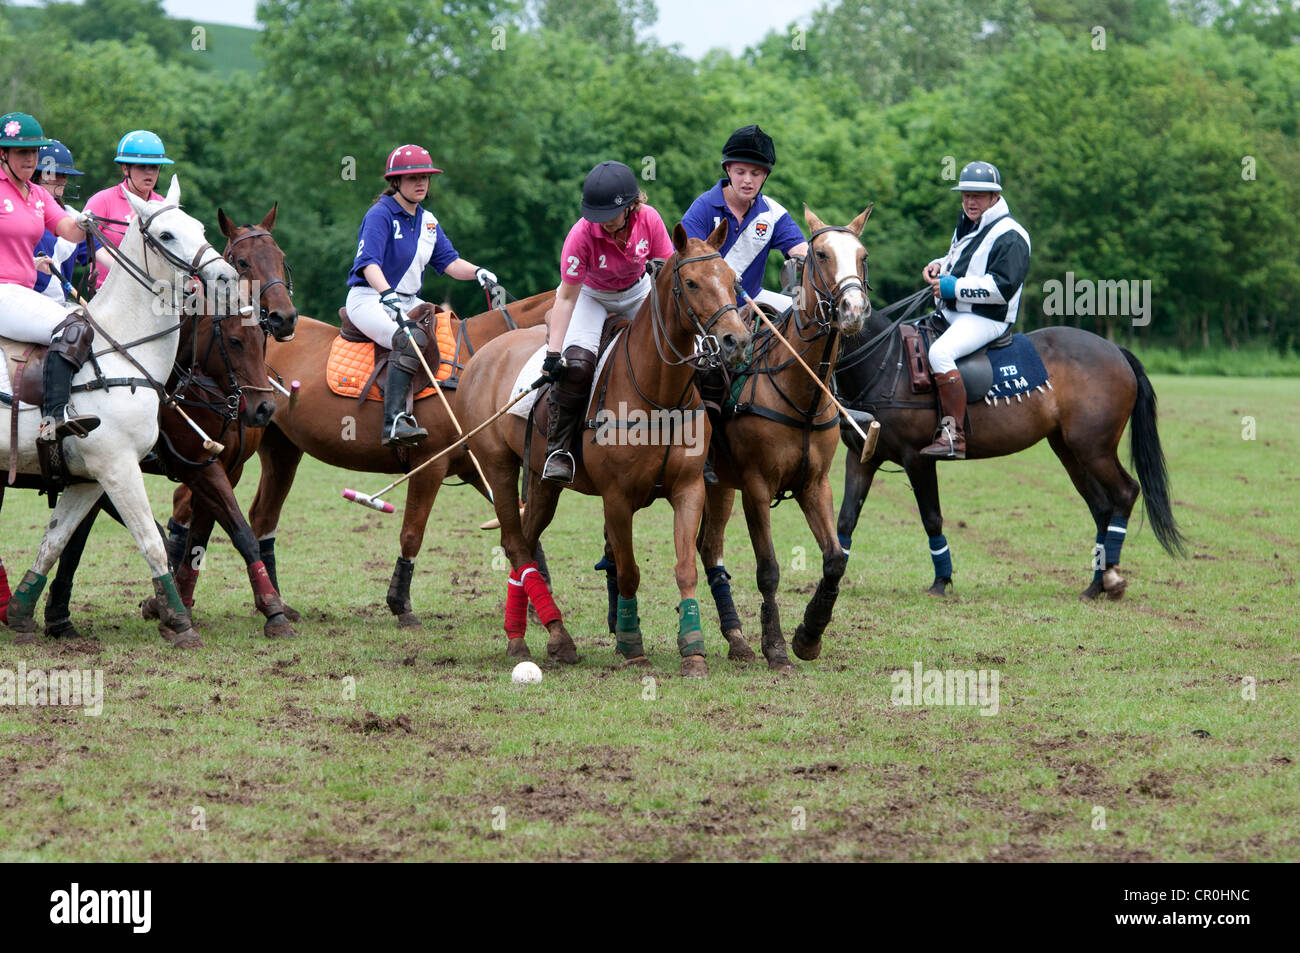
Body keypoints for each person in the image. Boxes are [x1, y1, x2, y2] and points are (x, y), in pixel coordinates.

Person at [344, 145, 497, 446]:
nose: (421, 182)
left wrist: (478, 271)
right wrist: (386, 292)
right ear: (395, 182)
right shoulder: (380, 214)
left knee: (448, 337)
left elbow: (450, 262)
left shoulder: (428, 221)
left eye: (425, 176)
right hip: (370, 297)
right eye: (412, 177)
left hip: (409, 300)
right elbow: (368, 263)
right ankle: (393, 423)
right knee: (408, 339)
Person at [680, 125, 808, 483]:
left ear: (765, 176)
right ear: (728, 171)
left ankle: (828, 409)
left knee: (811, 326)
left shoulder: (773, 214)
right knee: (705, 366)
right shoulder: (704, 208)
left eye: (755, 173)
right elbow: (690, 263)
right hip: (708, 310)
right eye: (740, 172)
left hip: (754, 300)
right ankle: (704, 450)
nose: (747, 180)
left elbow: (800, 252)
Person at [541, 160, 674, 484]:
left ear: (632, 206)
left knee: (676, 355)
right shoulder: (582, 234)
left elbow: (668, 270)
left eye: (609, 216)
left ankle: (690, 439)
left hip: (637, 291)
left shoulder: (650, 219)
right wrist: (554, 353)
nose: (603, 223)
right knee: (578, 366)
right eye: (596, 216)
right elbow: (567, 298)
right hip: (592, 295)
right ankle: (558, 450)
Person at [919, 161, 1031, 460]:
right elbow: (964, 258)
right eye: (966, 194)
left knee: (938, 354)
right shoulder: (972, 222)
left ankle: (954, 435)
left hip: (987, 319)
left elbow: (1001, 287)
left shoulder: (1011, 235)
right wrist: (940, 264)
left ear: (995, 197)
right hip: (956, 312)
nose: (970, 201)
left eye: (978, 195)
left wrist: (952, 288)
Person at [0, 112, 98, 440]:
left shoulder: (39, 195)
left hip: (21, 294)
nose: (30, 159)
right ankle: (53, 418)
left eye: (34, 152)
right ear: (3, 154)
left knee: (86, 326)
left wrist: (84, 223)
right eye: (21, 152)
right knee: (70, 327)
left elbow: (67, 230)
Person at [82, 129, 174, 291]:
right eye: (142, 167)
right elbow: (83, 241)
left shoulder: (164, 206)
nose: (149, 172)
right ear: (125, 169)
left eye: (154, 167)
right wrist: (119, 265)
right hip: (106, 295)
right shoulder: (103, 200)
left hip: (151, 296)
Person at [32, 139, 87, 304]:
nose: (62, 180)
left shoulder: (72, 215)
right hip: (18, 298)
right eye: (54, 174)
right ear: (34, 176)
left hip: (58, 307)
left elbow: (102, 255)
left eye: (65, 174)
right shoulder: (16, 211)